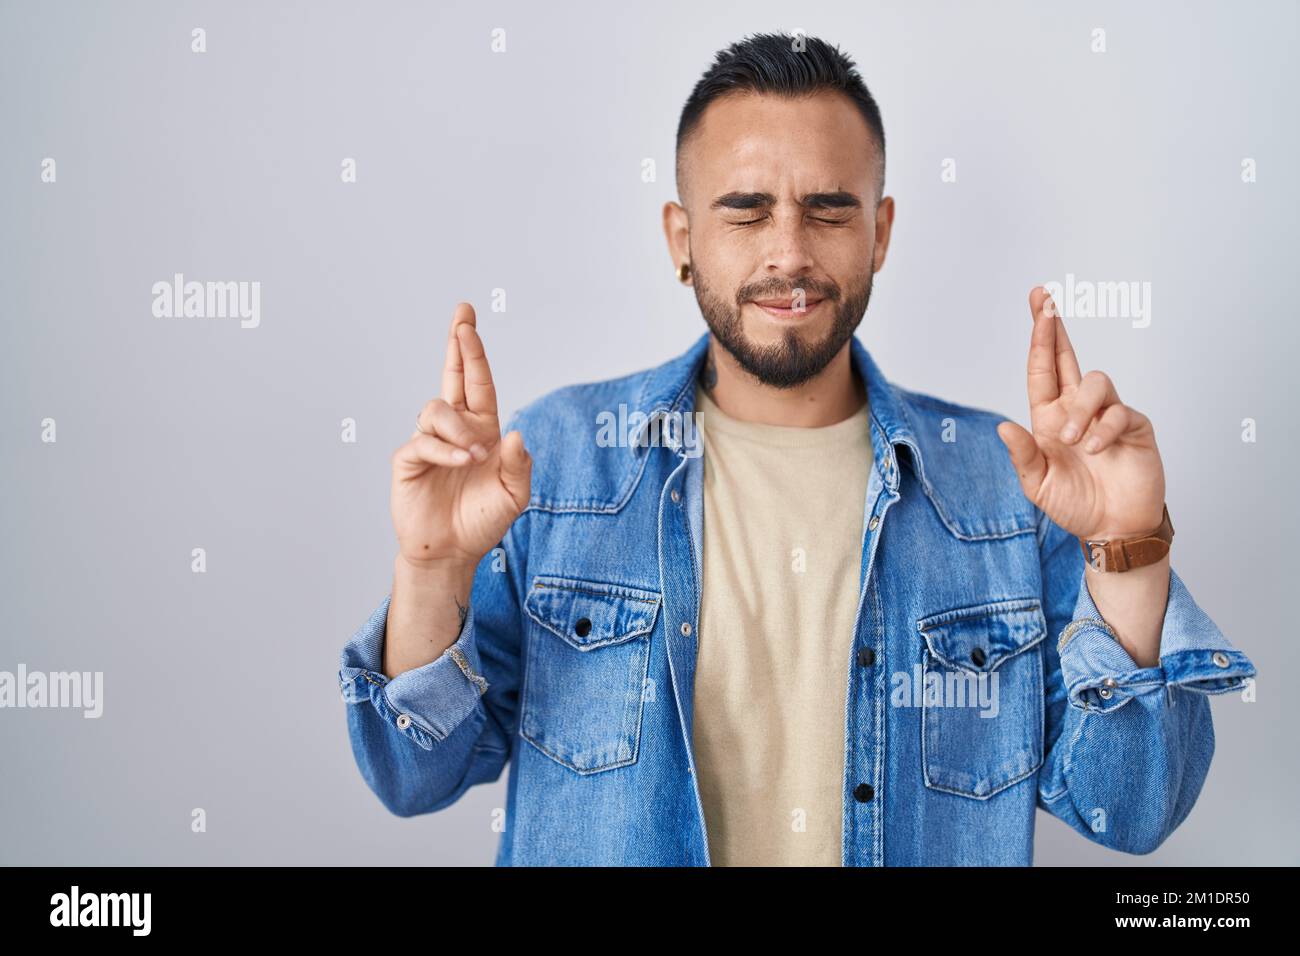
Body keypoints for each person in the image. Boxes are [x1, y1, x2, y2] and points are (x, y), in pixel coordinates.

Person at [338, 33, 1256, 866]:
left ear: (880, 232)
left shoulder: (1007, 488)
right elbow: (413, 778)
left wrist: (1129, 550)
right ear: (682, 238)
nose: (789, 253)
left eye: (828, 209)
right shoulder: (557, 461)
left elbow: (1133, 810)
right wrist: (432, 565)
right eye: (744, 211)